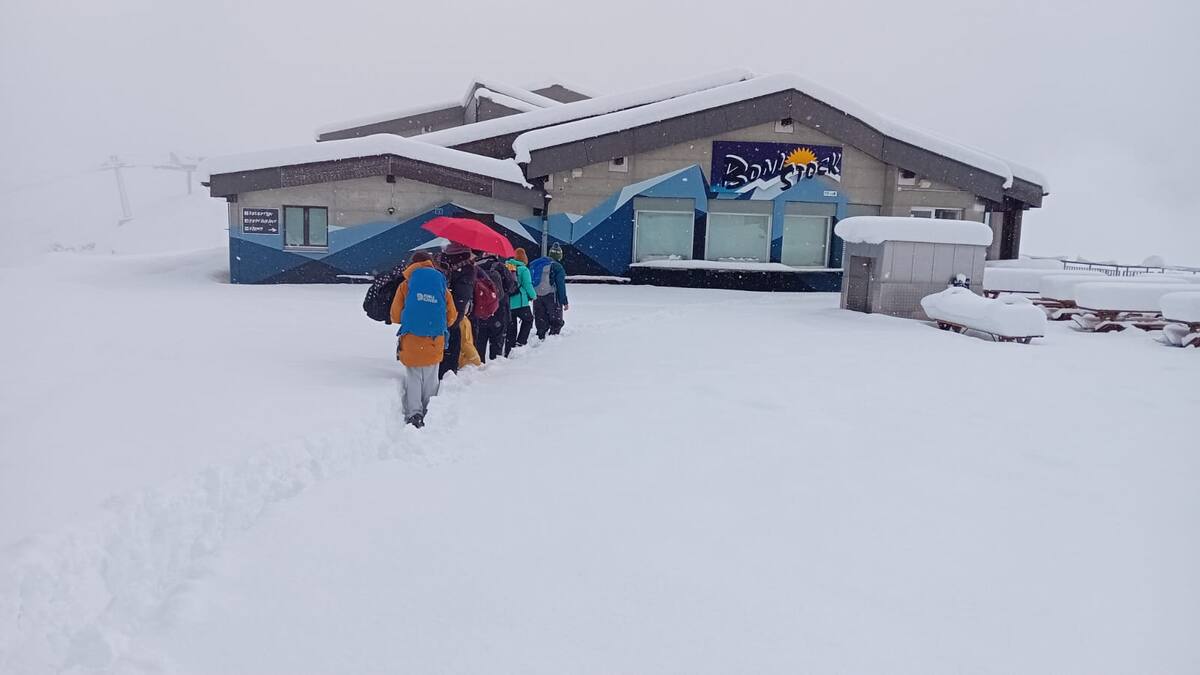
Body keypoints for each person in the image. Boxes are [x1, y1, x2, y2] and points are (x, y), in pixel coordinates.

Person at [389, 251, 457, 428]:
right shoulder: (440, 283)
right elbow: (452, 315)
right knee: (431, 375)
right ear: (430, 262)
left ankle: (414, 413)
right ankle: (430, 409)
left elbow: (395, 315)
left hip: (412, 337)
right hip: (435, 338)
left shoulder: (406, 284)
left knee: (413, 376)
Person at [438, 243, 476, 379]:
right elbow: (462, 296)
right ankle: (447, 381)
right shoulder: (467, 267)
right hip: (452, 315)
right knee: (452, 346)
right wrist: (455, 320)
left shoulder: (441, 260)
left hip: (435, 313)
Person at [473, 252, 514, 362]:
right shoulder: (500, 267)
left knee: (480, 340)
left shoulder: (475, 267)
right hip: (498, 309)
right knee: (497, 340)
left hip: (480, 310)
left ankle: (478, 366)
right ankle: (495, 367)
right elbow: (511, 287)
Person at [528, 242, 568, 340]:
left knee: (540, 318)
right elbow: (560, 286)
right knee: (556, 321)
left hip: (537, 295)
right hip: (551, 296)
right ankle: (552, 341)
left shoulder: (537, 263)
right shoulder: (557, 267)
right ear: (559, 255)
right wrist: (564, 301)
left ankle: (540, 337)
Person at [505, 248, 537, 354]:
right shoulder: (524, 269)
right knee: (528, 320)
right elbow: (527, 285)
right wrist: (533, 295)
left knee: (511, 326)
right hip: (520, 301)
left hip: (508, 301)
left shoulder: (507, 267)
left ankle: (509, 348)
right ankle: (521, 342)